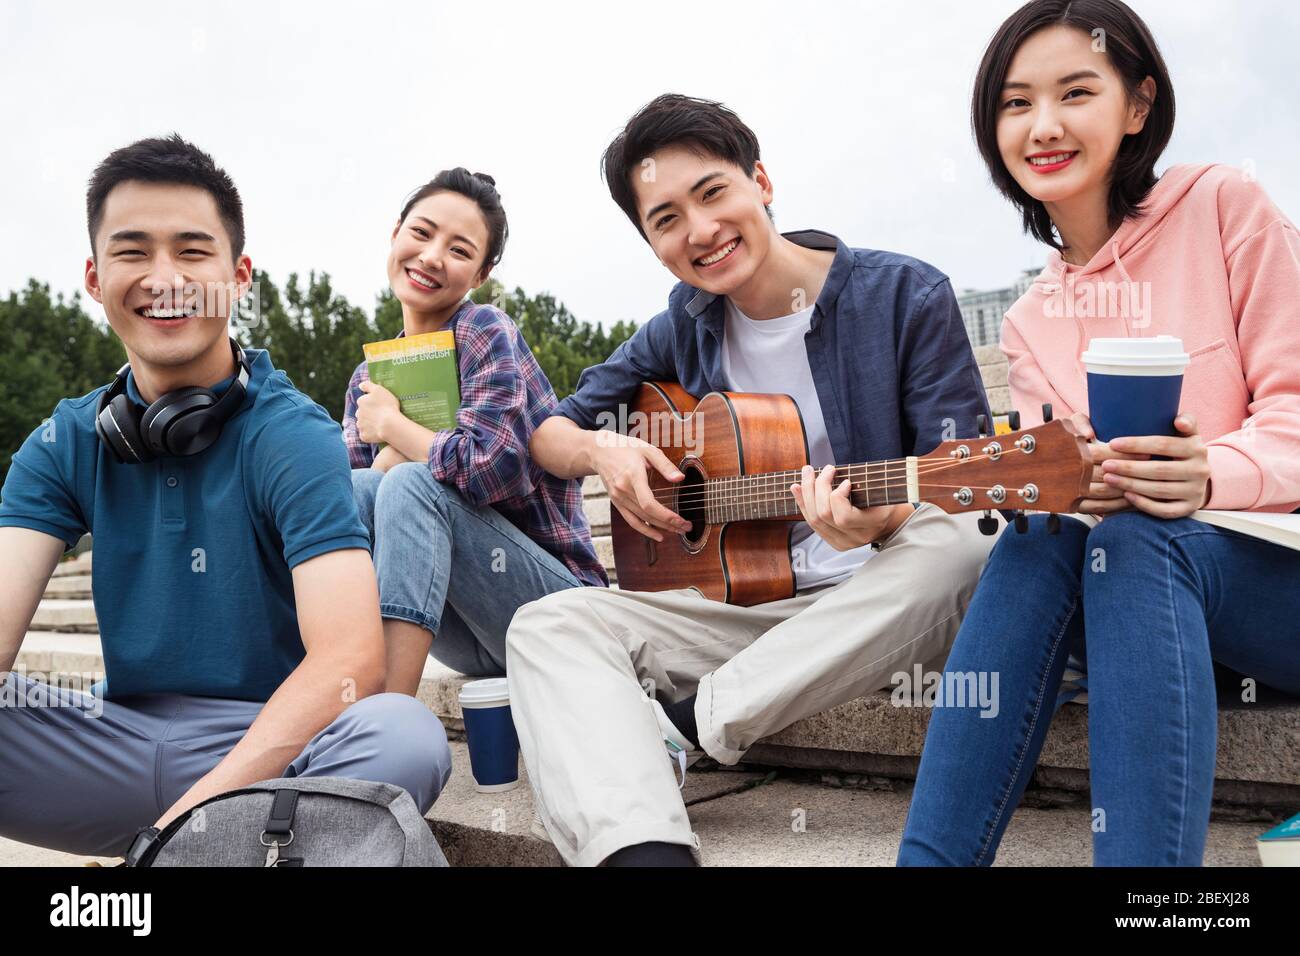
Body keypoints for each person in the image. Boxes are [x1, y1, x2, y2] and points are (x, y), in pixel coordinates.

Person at [506, 94, 998, 867]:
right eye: (666, 219)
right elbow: (549, 430)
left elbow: (977, 491)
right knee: (547, 625)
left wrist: (882, 529)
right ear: (652, 242)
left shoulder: (906, 297)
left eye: (713, 193)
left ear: (761, 181)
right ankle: (644, 853)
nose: (700, 231)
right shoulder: (684, 324)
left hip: (888, 609)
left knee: (967, 541)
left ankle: (696, 721)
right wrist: (605, 455)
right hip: (754, 612)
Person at [898, 0, 1300, 867]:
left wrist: (1207, 475)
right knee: (1047, 537)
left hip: (1278, 586)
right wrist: (1088, 486)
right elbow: (1078, 496)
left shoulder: (1224, 208)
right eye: (1015, 103)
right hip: (1153, 618)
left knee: (1144, 544)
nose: (1044, 125)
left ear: (1139, 106)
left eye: (1076, 92)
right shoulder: (1031, 322)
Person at [0, 135, 450, 858]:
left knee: (403, 734)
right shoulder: (63, 441)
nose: (163, 276)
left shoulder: (291, 433)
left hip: (268, 755)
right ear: (93, 276)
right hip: (106, 748)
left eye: (191, 250)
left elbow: (349, 662)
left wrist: (178, 831)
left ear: (238, 275)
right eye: (132, 251)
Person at [342, 169, 605, 692]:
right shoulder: (368, 377)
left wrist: (395, 430)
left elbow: (495, 470)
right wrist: (390, 456)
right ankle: (334, 687)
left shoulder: (484, 330)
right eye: (421, 233)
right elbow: (355, 506)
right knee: (358, 490)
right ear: (395, 233)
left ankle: (386, 717)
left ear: (480, 274)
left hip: (554, 611)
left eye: (459, 250)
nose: (433, 256)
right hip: (468, 632)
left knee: (411, 483)